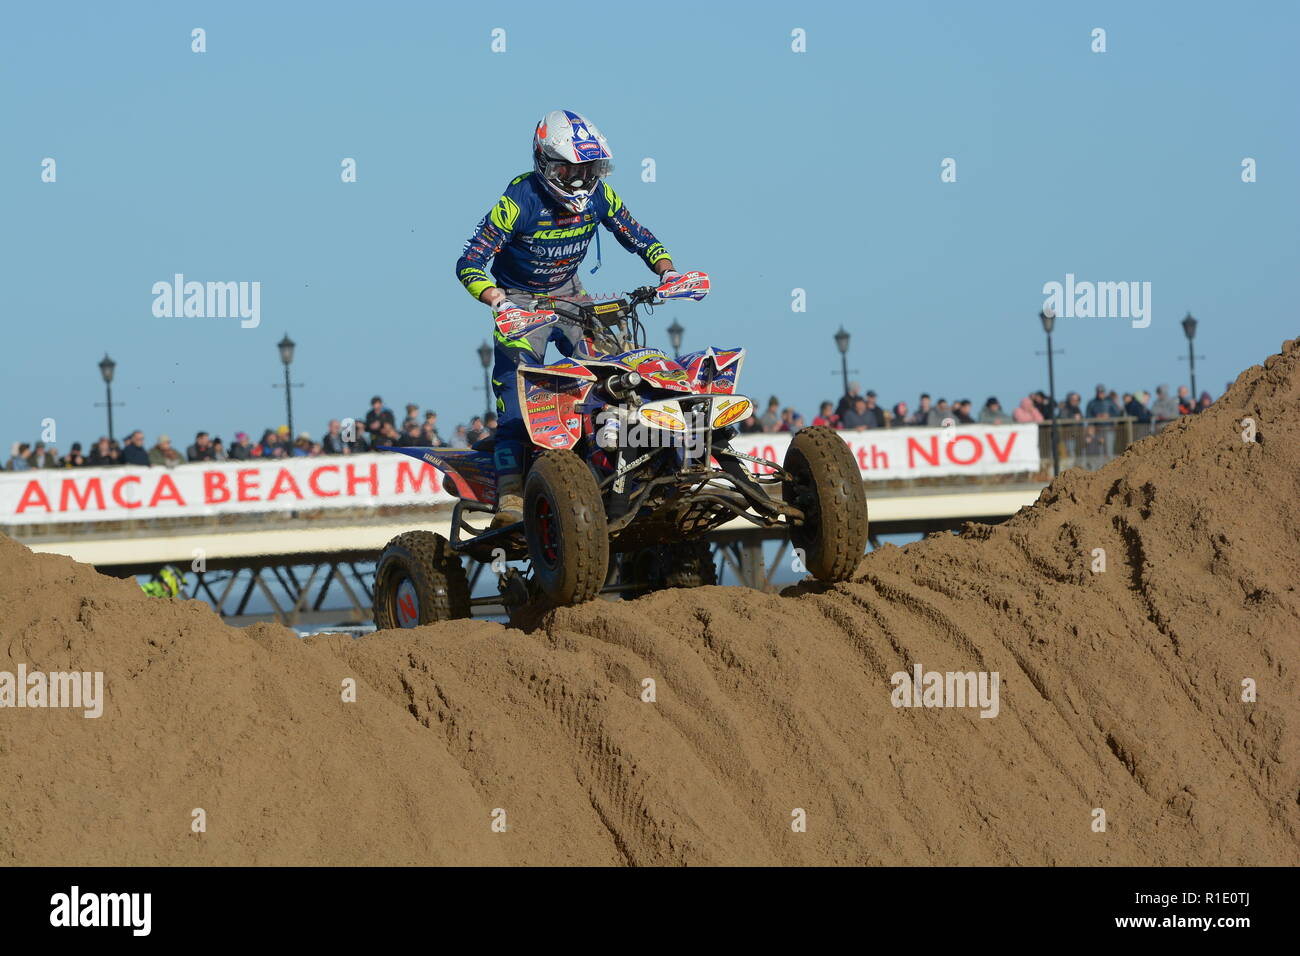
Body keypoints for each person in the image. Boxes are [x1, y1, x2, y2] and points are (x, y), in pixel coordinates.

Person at [455, 109, 685, 526]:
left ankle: (647, 460)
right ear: (544, 163)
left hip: (572, 295)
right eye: (569, 170)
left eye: (588, 169)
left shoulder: (601, 195)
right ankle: (509, 493)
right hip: (520, 304)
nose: (580, 181)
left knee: (622, 370)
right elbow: (469, 261)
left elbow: (637, 234)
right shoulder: (518, 200)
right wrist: (496, 300)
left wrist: (668, 272)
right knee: (517, 391)